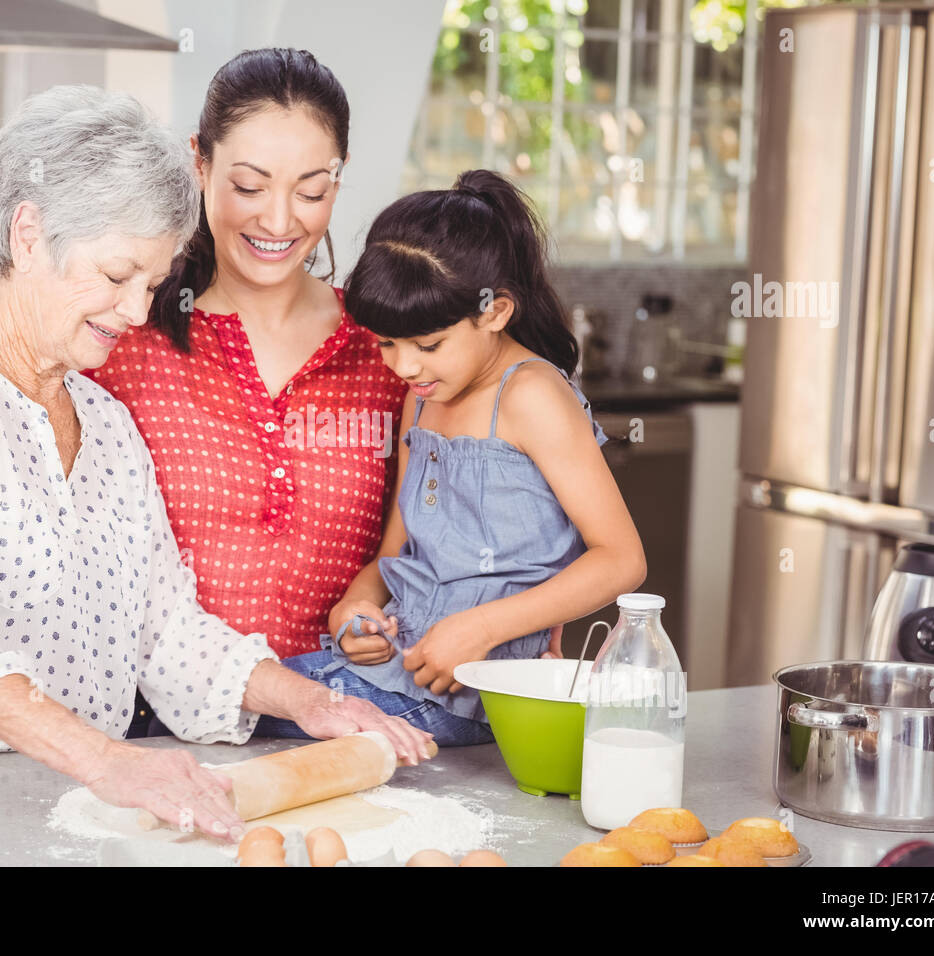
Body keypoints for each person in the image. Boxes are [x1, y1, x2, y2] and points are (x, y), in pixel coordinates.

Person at [0, 85, 432, 843]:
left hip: (44, 822)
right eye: (116, 274)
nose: (136, 311)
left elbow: (164, 631)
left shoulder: (106, 425)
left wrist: (308, 702)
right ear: (28, 236)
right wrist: (109, 762)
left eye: (155, 283)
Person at [254, 170, 648, 745]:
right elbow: (396, 554)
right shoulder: (422, 402)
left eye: (428, 345)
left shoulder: (531, 396)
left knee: (231, 722)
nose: (404, 367)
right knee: (231, 699)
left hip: (470, 698)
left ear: (494, 313)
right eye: (387, 343)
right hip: (392, 674)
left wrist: (481, 628)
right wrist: (356, 610)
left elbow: (622, 560)